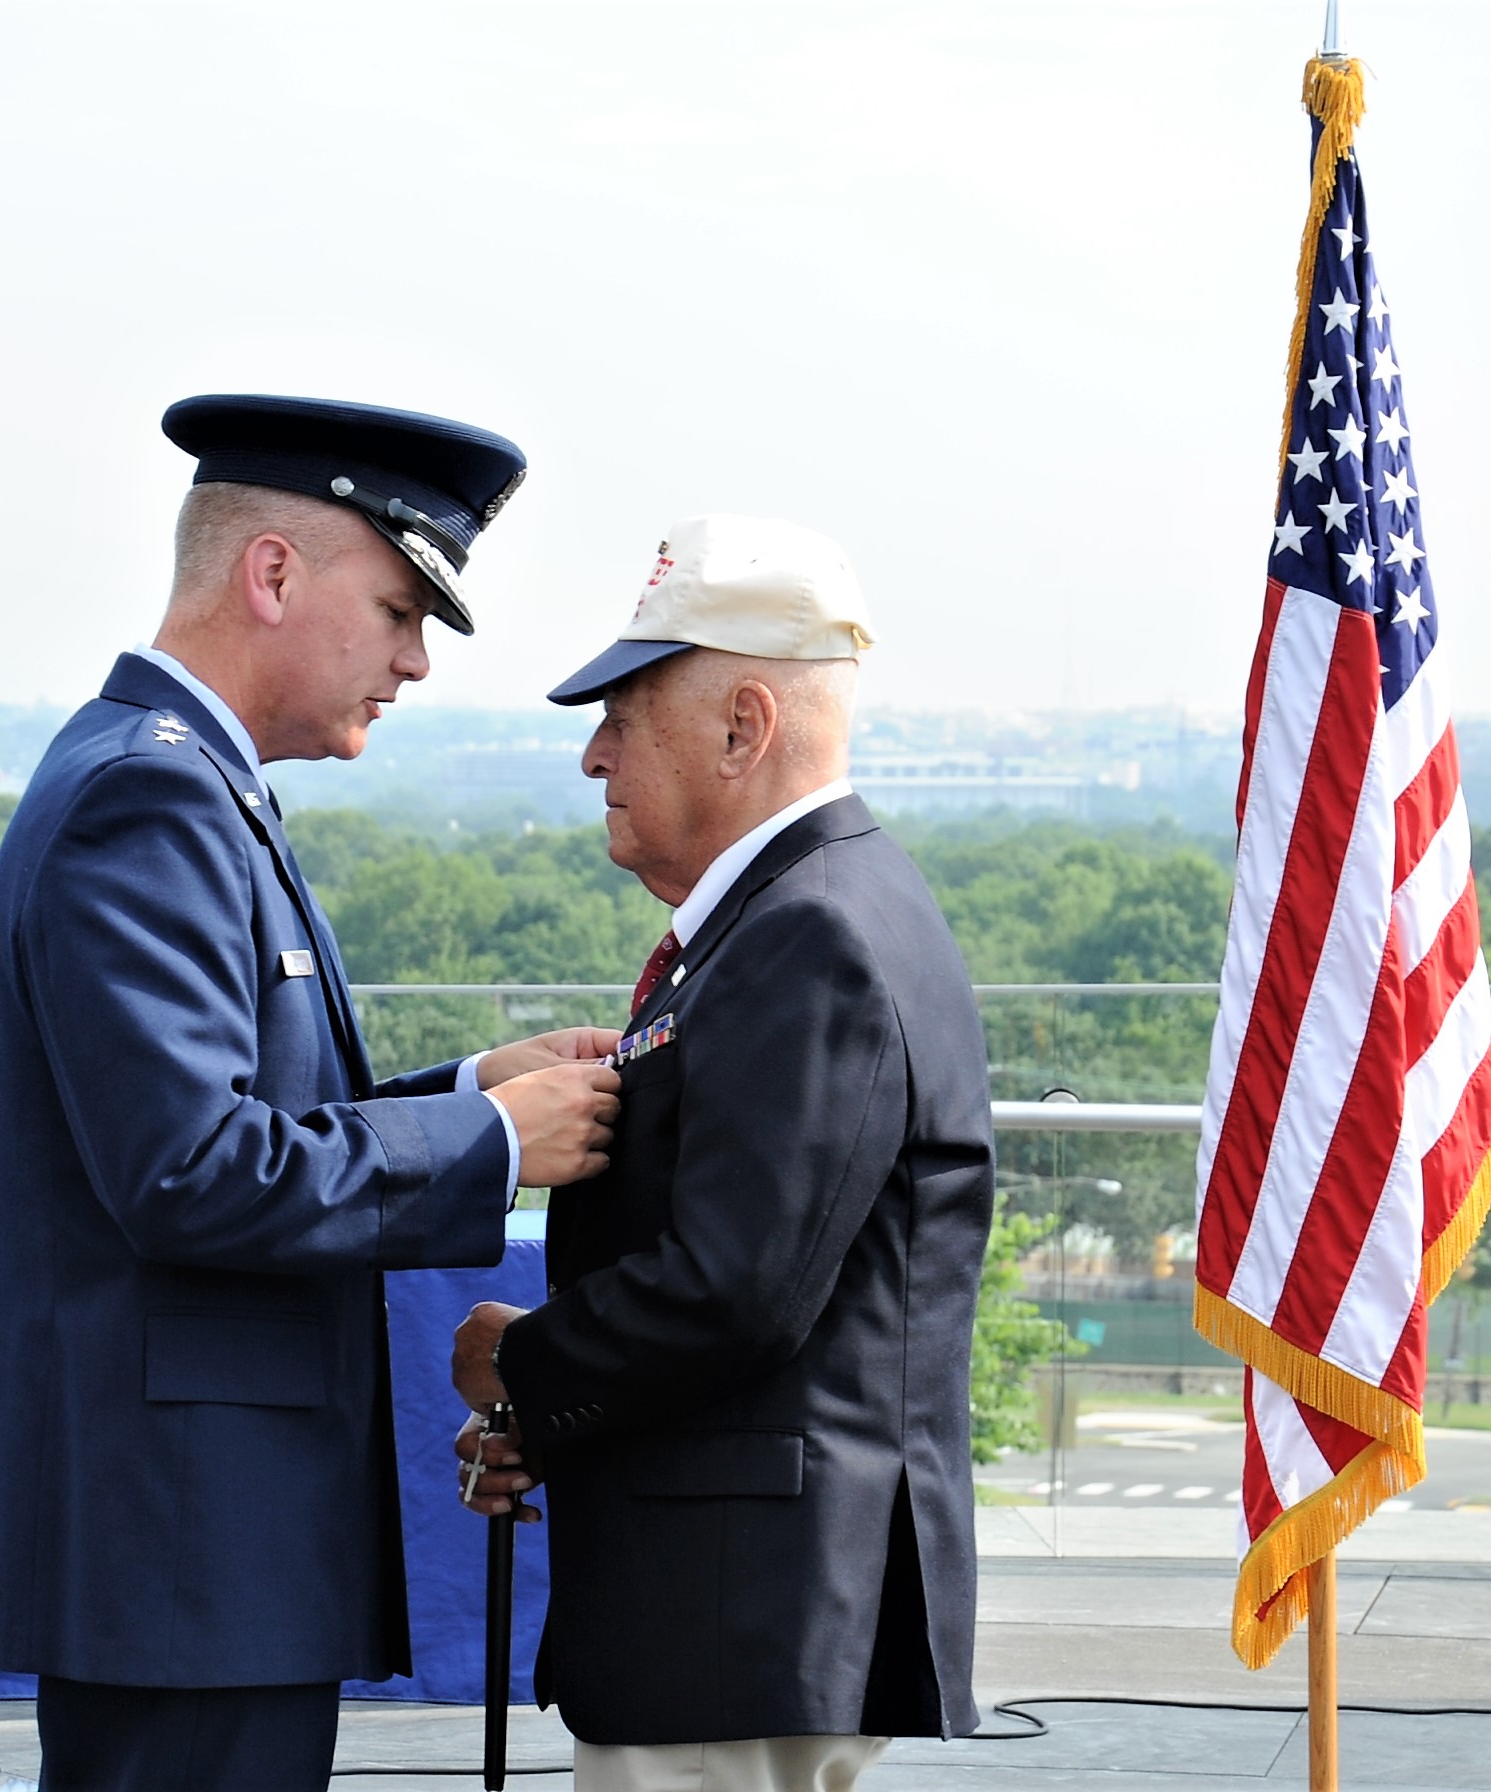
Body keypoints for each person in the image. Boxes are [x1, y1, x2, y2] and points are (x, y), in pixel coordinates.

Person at [0, 395, 624, 1791]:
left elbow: (246, 1106)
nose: (414, 660)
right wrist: (489, 1141)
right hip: (184, 1543)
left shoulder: (185, 783)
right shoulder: (154, 799)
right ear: (272, 575)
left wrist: (465, 1085)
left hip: (198, 1545)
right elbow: (188, 1170)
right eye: (397, 609)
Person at [451, 515, 994, 1792]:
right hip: (734, 1609)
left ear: (743, 727)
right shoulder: (791, 917)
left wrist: (516, 1364)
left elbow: (736, 1287)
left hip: (734, 1610)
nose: (593, 755)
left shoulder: (810, 935)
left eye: (624, 719)